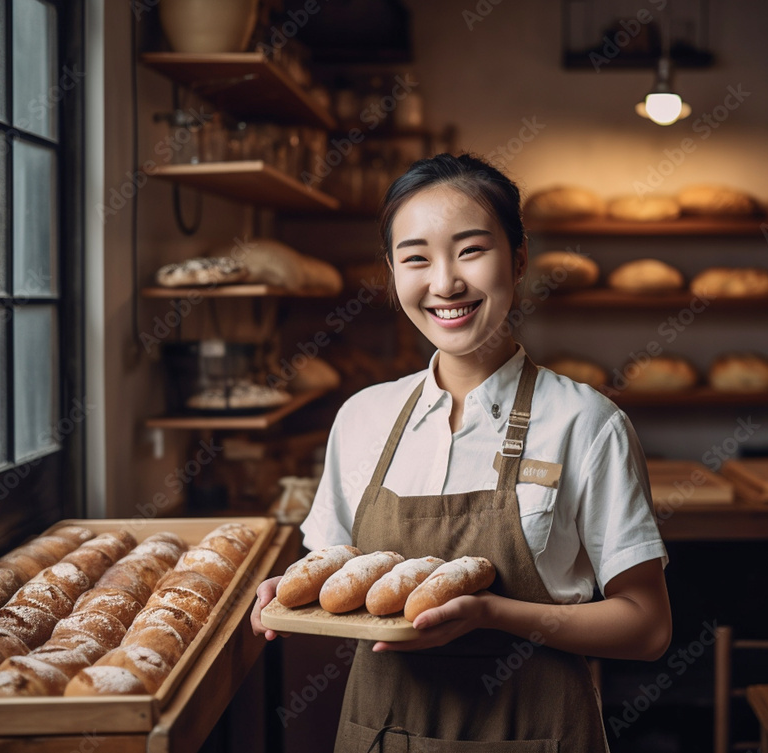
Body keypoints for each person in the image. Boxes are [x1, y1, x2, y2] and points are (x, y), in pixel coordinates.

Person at [251, 153, 671, 751]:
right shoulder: (362, 418)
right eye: (416, 257)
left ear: (519, 259)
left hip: (537, 733)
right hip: (382, 733)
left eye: (471, 250)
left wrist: (495, 613)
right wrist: (288, 594)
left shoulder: (586, 423)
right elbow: (335, 577)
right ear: (393, 272)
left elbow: (647, 628)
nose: (444, 283)